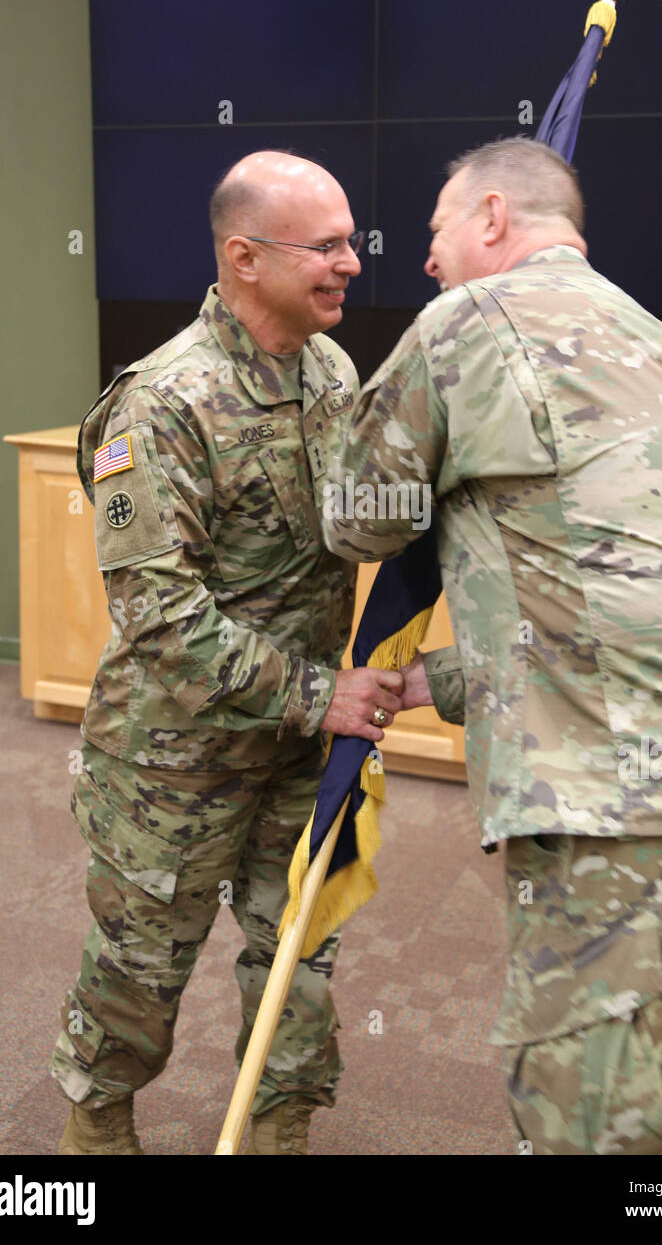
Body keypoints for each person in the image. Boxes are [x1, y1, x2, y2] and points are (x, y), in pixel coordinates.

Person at [321, 136, 662, 1155]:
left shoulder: (465, 323)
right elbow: (641, 589)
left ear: (493, 216)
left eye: (438, 231)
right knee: (657, 1091)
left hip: (616, 803)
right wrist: (437, 679)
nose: (427, 259)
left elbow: (356, 521)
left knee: (578, 1111)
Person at [52, 151, 403, 1155]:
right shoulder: (155, 409)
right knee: (142, 968)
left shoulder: (331, 371)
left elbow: (347, 516)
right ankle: (98, 1122)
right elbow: (157, 614)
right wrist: (315, 692)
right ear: (244, 257)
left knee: (300, 952)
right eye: (326, 245)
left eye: (351, 238)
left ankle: (274, 1128)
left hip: (299, 748)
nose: (351, 261)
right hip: (176, 760)